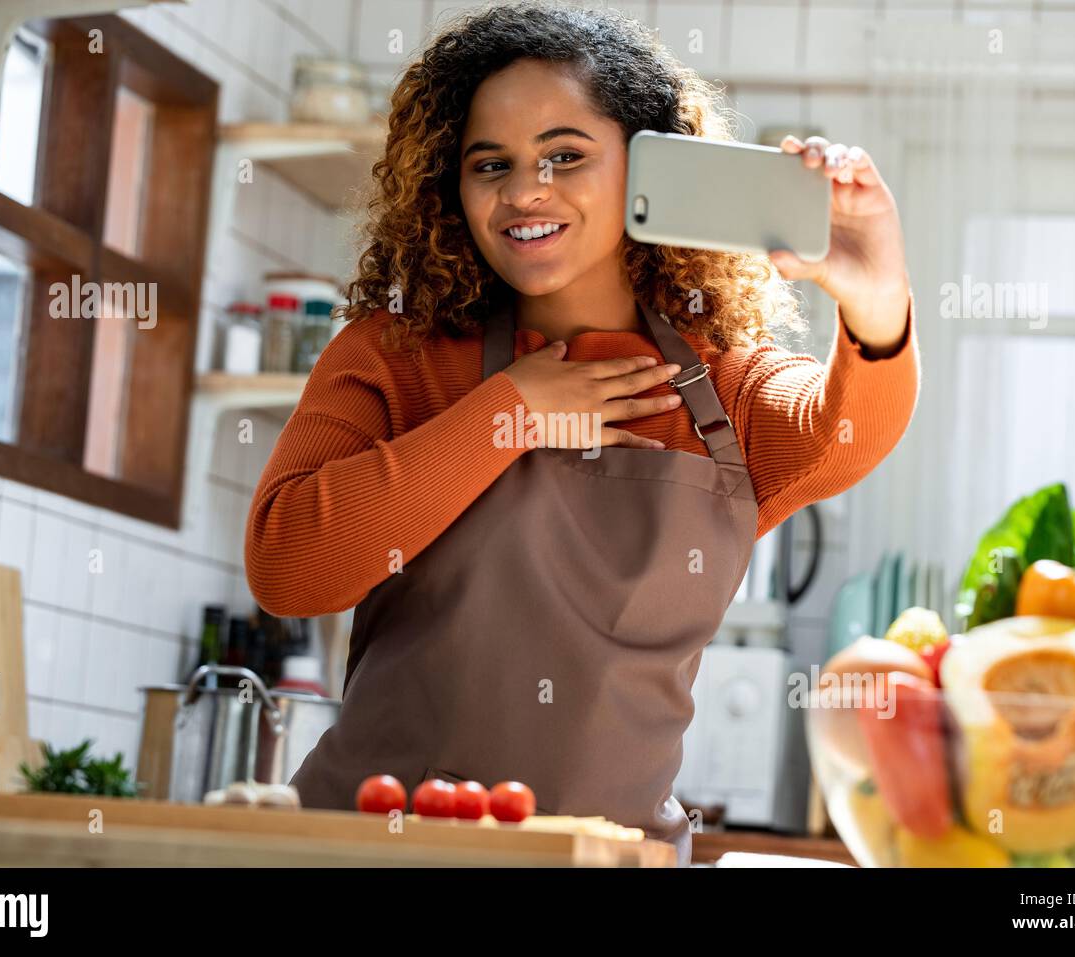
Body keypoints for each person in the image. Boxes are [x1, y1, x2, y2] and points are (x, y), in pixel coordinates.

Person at [246, 2, 920, 866]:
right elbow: (289, 568)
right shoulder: (392, 356)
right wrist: (508, 413)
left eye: (566, 155)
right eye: (491, 163)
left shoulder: (723, 391)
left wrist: (876, 298)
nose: (526, 190)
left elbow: (847, 431)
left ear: (643, 166)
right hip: (368, 849)